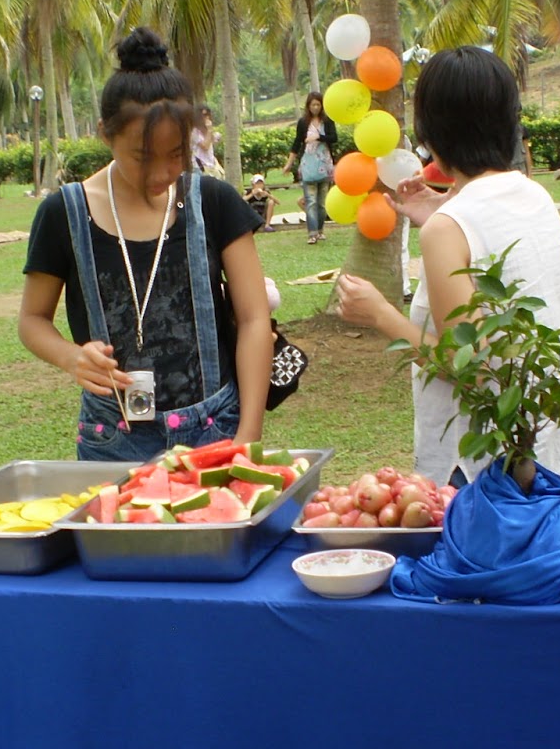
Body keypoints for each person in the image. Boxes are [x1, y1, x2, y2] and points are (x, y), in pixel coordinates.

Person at [335, 45, 560, 487]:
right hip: (543, 434)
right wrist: (444, 213)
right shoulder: (535, 195)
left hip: (480, 460)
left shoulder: (449, 227)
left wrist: (379, 314)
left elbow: (468, 366)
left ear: (431, 131)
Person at [19, 27, 273, 460]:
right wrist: (70, 357)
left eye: (176, 154)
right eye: (142, 157)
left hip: (217, 426)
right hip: (113, 439)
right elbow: (32, 320)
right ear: (105, 133)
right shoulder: (64, 213)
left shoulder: (215, 203)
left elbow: (254, 320)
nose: (161, 173)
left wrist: (248, 434)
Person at [282, 92, 337, 244]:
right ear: (308, 106)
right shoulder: (303, 122)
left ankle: (320, 230)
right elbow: (297, 143)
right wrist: (289, 163)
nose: (315, 108)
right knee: (310, 201)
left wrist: (318, 137)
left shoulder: (327, 121)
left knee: (321, 203)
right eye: (313, 105)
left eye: (318, 104)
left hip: (324, 164)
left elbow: (334, 138)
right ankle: (312, 233)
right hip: (308, 165)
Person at [191, 104, 220, 175]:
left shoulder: (209, 130)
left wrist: (210, 131)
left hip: (211, 166)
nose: (207, 117)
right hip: (199, 167)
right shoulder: (194, 132)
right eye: (204, 115)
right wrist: (209, 130)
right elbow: (205, 146)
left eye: (208, 115)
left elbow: (216, 140)